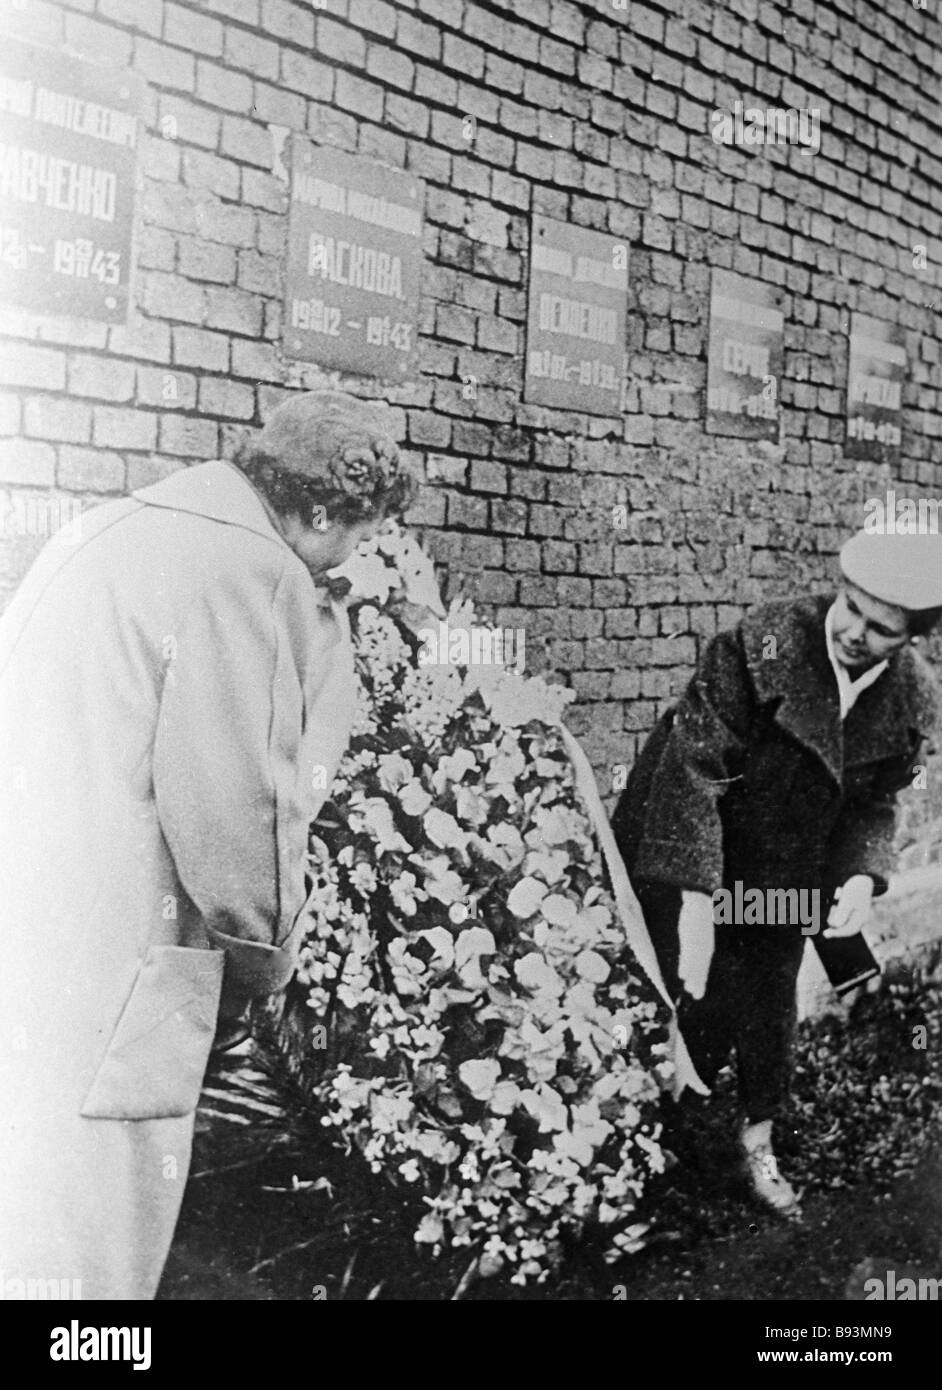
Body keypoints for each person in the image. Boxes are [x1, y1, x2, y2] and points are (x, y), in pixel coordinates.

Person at [0, 388, 411, 1299]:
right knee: (95, 1244)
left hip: (29, 925)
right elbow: (241, 819)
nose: (350, 561)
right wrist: (268, 965)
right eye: (360, 534)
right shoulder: (247, 570)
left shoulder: (115, 525)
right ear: (316, 511)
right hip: (112, 957)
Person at [612, 531, 942, 1218]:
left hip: (786, 859)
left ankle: (753, 1143)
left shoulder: (913, 698)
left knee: (768, 993)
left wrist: (858, 878)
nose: (854, 632)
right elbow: (693, 767)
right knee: (673, 979)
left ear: (912, 637)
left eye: (881, 629)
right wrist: (696, 902)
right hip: (685, 832)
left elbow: (876, 800)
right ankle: (636, 1143)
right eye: (850, 608)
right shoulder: (758, 643)